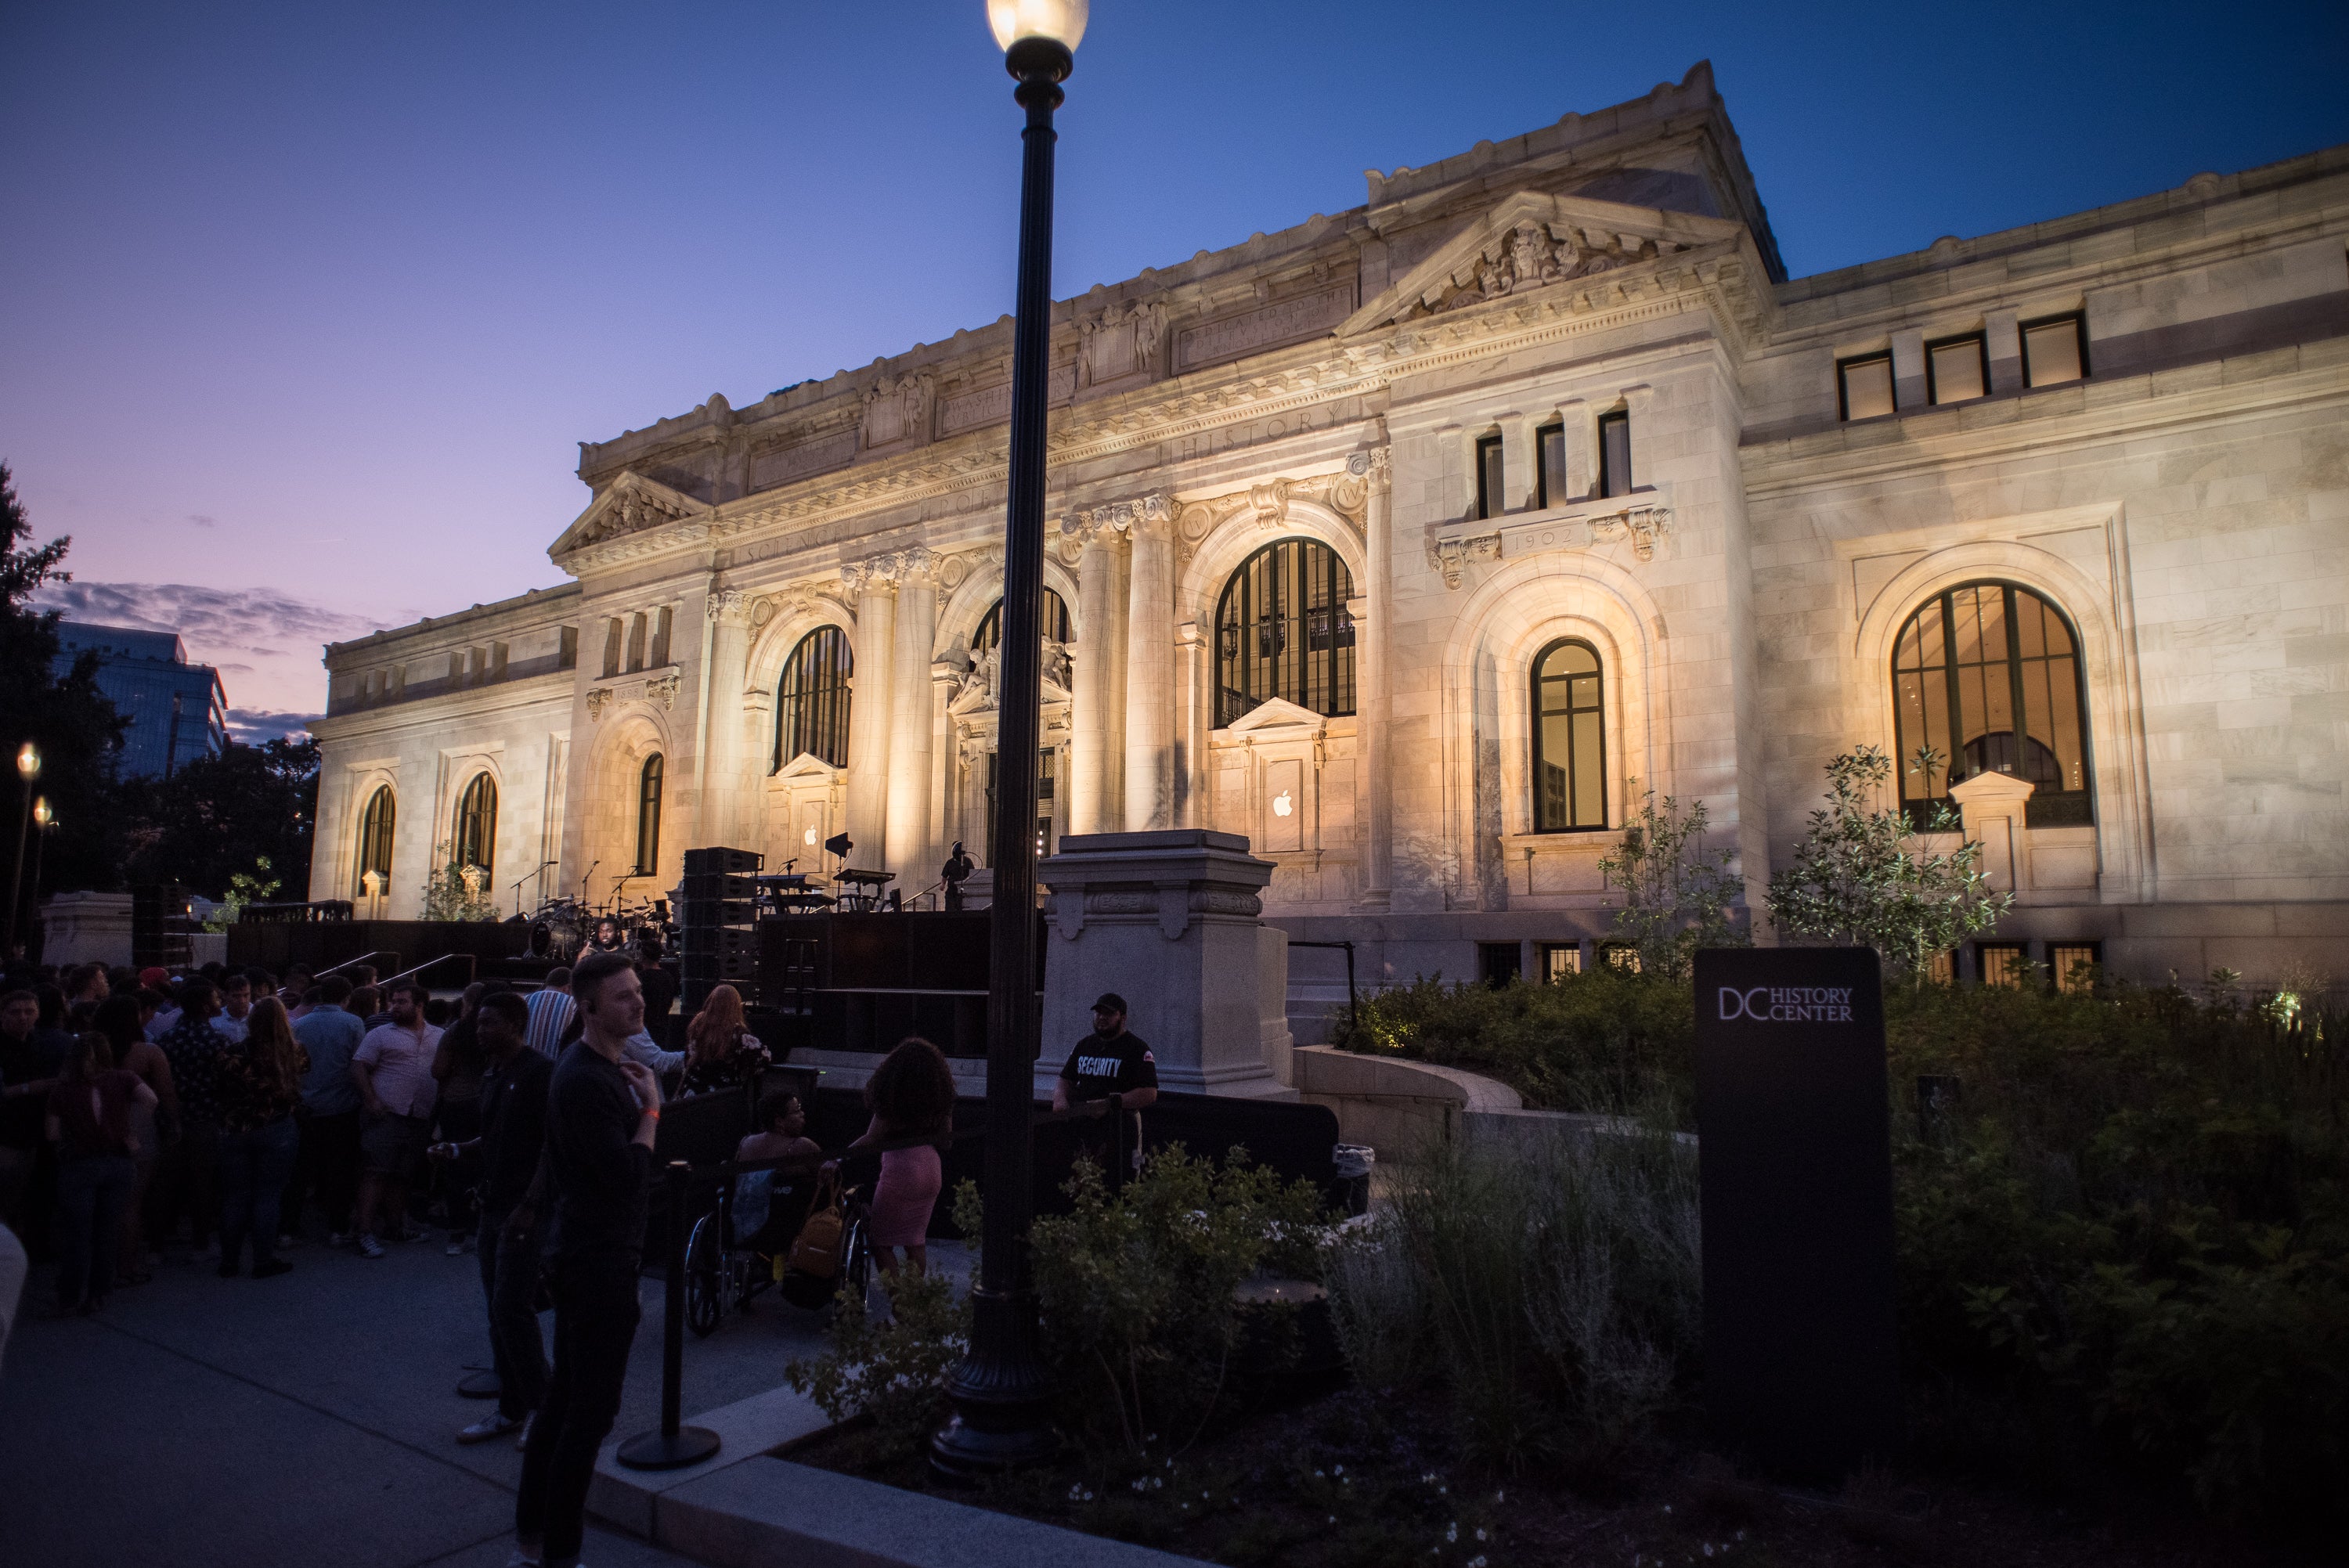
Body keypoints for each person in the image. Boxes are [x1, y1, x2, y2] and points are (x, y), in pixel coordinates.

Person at [512, 950, 661, 1568]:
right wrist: (651, 1111)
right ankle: (559, 1552)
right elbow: (627, 1176)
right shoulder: (584, 1080)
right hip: (597, 1262)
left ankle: (533, 1539)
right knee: (588, 1414)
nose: (638, 1001)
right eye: (624, 995)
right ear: (590, 1007)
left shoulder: (595, 1069)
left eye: (638, 990)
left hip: (587, 1252)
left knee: (564, 1401)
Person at [428, 991, 550, 1447]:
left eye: (489, 1023)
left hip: (522, 1212)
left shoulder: (539, 1073)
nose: (479, 1031)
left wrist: (531, 1205)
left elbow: (550, 1145)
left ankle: (542, 1406)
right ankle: (512, 1407)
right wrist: (459, 1150)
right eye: (478, 1023)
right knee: (499, 1310)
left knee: (512, 1308)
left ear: (516, 1025)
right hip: (493, 1207)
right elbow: (496, 1136)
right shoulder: (494, 1073)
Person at [46, 1033, 156, 1314]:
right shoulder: (124, 1078)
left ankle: (69, 1296)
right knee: (107, 1231)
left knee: (77, 1234)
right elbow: (151, 1099)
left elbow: (52, 1134)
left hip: (80, 1164)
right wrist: (130, 1131)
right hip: (118, 1162)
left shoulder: (63, 1090)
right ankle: (97, 1294)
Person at [829, 1036, 954, 1277]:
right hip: (931, 1168)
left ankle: (898, 1298)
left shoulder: (894, 1099)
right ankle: (913, 1297)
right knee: (915, 1241)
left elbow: (872, 1138)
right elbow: (946, 1142)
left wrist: (839, 1158)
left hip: (901, 1169)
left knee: (881, 1242)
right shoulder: (942, 1101)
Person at [216, 998, 306, 1279]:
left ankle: (229, 1262)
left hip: (237, 1128)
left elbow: (219, 1087)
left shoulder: (232, 1053)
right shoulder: (295, 1052)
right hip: (277, 1127)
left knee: (235, 1197)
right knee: (268, 1196)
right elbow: (300, 1082)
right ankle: (263, 1261)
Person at [350, 982, 442, 1258]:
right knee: (375, 1172)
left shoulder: (439, 1036)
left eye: (402, 1002)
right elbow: (358, 1066)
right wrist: (371, 1100)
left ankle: (395, 1226)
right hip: (387, 1114)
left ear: (419, 1005)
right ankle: (364, 1232)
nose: (394, 1007)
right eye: (393, 1002)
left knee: (403, 1174)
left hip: (419, 1115)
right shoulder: (381, 1034)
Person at [92, 996, 176, 1285]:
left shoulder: (88, 1052)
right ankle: (126, 1268)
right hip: (139, 1131)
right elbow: (166, 1094)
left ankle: (98, 1267)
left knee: (99, 1205)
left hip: (95, 1130)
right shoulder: (149, 1053)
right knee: (131, 1204)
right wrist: (174, 1124)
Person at [286, 975, 366, 1245]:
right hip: (341, 1107)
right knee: (340, 1170)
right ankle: (338, 1227)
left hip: (306, 1107)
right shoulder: (353, 1023)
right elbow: (359, 1063)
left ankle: (288, 1228)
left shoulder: (299, 1025)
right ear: (347, 998)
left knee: (299, 1171)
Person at [154, 980, 232, 1256]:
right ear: (205, 1007)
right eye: (216, 999)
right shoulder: (218, 1041)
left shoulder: (166, 1039)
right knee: (203, 1183)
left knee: (165, 1183)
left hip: (170, 1118)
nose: (220, 1002)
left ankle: (158, 1242)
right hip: (205, 1118)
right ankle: (201, 1239)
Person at [1052, 993, 1160, 1188]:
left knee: (1122, 1183)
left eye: (1108, 1014)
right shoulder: (1085, 1045)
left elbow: (1149, 1093)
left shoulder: (1136, 1049)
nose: (1101, 1017)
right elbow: (1066, 1078)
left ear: (1123, 1018)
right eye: (1098, 1013)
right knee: (1081, 1182)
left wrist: (1109, 1104)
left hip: (1120, 1128)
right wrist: (1060, 1099)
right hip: (1083, 1127)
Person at [431, 983, 492, 1254]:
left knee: (455, 1165)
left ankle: (456, 1233)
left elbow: (438, 1070)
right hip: (487, 1102)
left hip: (457, 1102)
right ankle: (480, 1228)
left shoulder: (456, 1031)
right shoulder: (497, 1030)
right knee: (485, 1167)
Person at [0, 990, 64, 1240]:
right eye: (16, 1012)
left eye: (29, 1011)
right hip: (8, 1137)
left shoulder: (39, 1044)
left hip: (37, 1135)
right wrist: (31, 1088)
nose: (23, 1017)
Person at [676, 984, 769, 1098]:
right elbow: (764, 1058)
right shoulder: (738, 1033)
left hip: (692, 1095)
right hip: (721, 1097)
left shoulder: (697, 1027)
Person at [523, 968, 575, 1060]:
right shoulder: (573, 1004)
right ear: (567, 988)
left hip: (525, 1063)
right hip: (557, 1066)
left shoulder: (524, 1001)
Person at [215, 973, 254, 1044]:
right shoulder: (215, 1020)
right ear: (225, 996)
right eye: (236, 996)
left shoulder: (259, 1015)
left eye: (246, 995)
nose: (242, 1001)